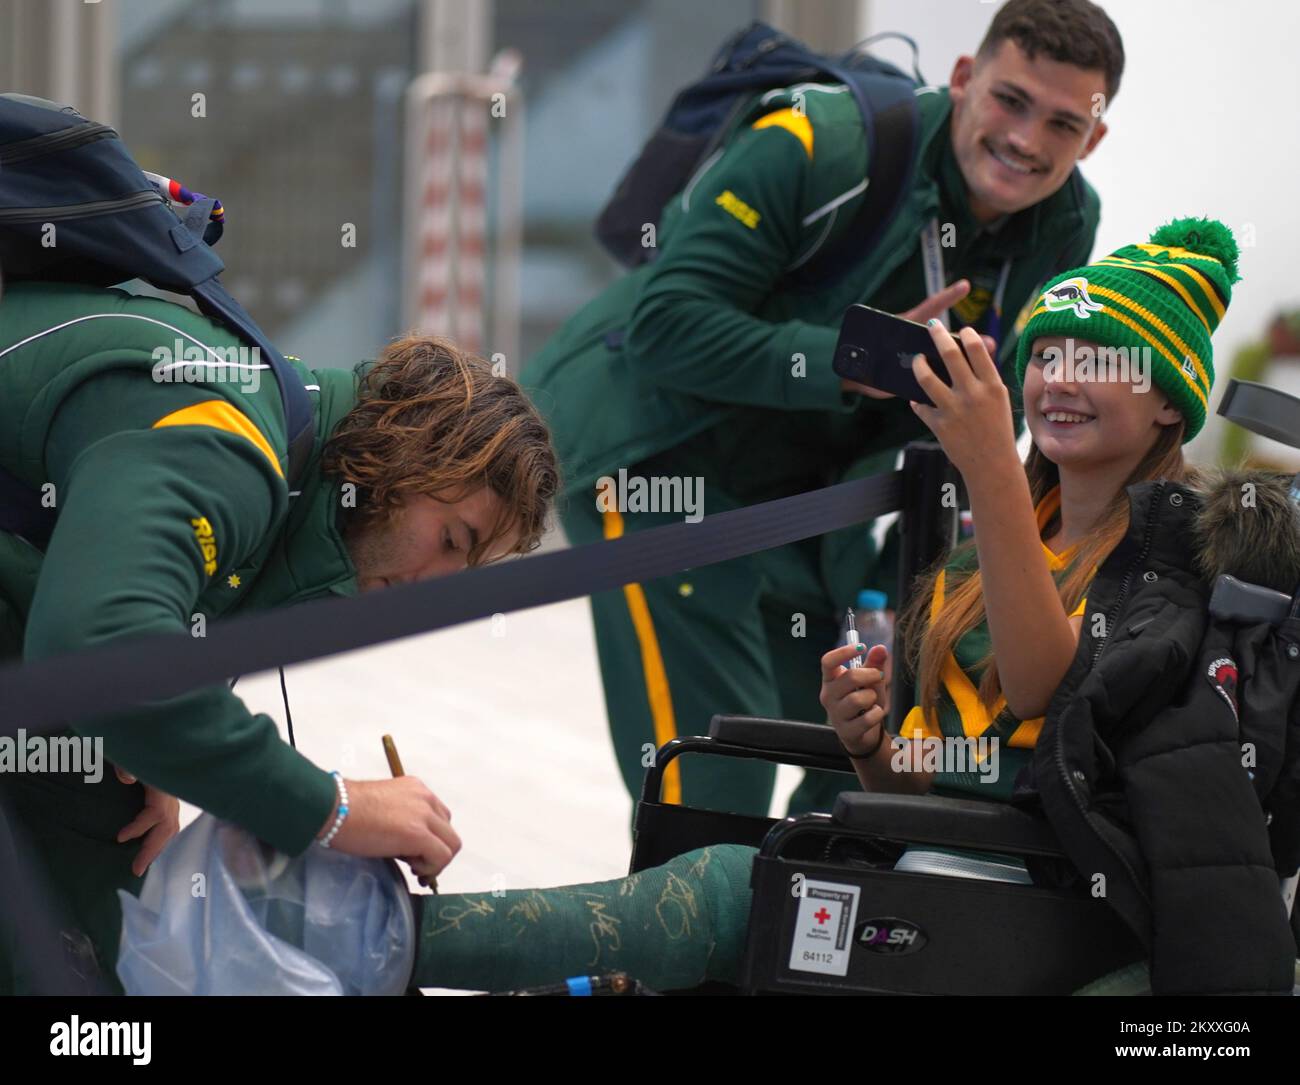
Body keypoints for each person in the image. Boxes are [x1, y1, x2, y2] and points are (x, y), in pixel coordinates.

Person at [404, 218, 1296, 996]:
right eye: (1049, 354)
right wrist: (872, 742)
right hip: (937, 885)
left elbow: (1042, 693)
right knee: (710, 888)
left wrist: (988, 469)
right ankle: (379, 941)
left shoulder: (1183, 551)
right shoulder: (979, 560)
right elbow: (936, 777)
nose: (1062, 378)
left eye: (1102, 360)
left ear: (1171, 405)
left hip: (1059, 913)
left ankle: (384, 943)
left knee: (720, 895)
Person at [521, 0, 1123, 820]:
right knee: (719, 778)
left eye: (1061, 122)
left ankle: (775, 940)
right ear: (962, 80)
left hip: (808, 495)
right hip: (654, 457)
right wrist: (850, 364)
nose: (1026, 139)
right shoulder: (817, 143)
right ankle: (665, 944)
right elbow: (664, 325)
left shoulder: (1067, 223)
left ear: (1092, 140)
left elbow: (989, 410)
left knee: (860, 746)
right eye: (1010, 100)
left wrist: (900, 591)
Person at [0, 289, 559, 994]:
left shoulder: (297, 472)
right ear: (404, 455)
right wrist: (330, 807)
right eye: (452, 538)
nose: (439, 584)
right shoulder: (231, 439)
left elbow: (144, 625)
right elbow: (97, 645)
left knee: (102, 905)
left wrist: (167, 743)